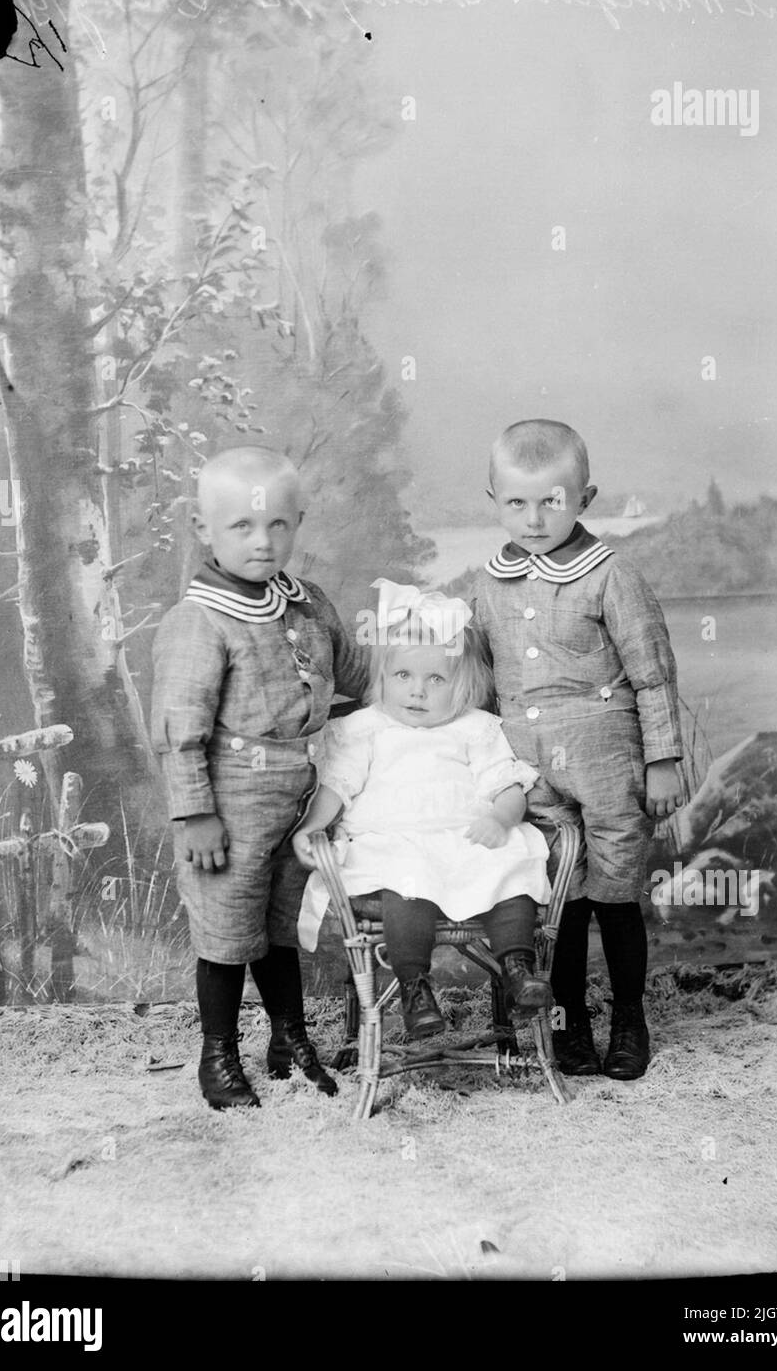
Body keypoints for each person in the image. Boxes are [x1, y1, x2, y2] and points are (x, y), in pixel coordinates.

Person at [151, 446, 367, 1109]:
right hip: (231, 803)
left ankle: (289, 1039)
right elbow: (178, 730)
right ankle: (217, 1057)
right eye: (242, 527)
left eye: (278, 525)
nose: (263, 541)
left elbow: (355, 683)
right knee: (225, 931)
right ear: (202, 528)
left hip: (300, 803)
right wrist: (195, 815)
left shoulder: (307, 606)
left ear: (297, 522)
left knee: (278, 926)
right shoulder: (200, 621)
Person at [470, 420, 684, 1080]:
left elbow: (651, 672)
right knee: (552, 897)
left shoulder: (610, 575)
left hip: (607, 760)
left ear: (583, 498)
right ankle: (568, 1026)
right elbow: (478, 680)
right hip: (527, 766)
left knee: (613, 893)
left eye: (551, 502)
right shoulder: (488, 583)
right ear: (493, 499)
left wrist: (661, 759)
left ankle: (627, 1018)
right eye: (516, 503)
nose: (533, 519)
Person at [292, 579, 553, 1038]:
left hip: (466, 838)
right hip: (395, 843)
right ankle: (415, 987)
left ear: (464, 686)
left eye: (436, 679)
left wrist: (500, 818)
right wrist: (311, 827)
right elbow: (338, 786)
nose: (417, 692)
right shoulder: (366, 728)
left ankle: (518, 968)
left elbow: (507, 786)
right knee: (404, 883)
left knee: (511, 864)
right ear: (383, 678)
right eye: (403, 677)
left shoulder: (475, 728)